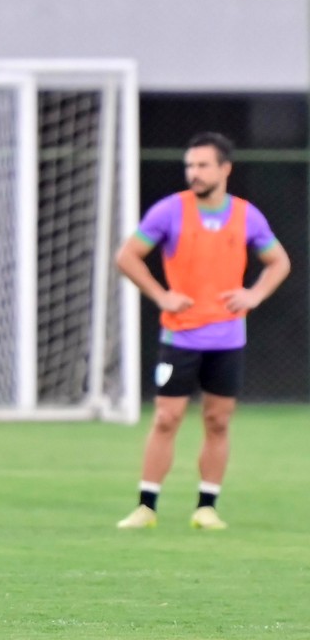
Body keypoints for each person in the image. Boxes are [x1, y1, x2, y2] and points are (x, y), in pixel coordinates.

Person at [114, 132, 289, 531]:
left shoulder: (246, 215)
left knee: (218, 421)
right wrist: (161, 295)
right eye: (190, 165)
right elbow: (128, 256)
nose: (194, 172)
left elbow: (279, 261)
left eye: (203, 165)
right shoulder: (169, 211)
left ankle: (206, 507)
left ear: (225, 169)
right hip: (180, 336)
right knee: (166, 417)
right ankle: (146, 507)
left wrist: (254, 295)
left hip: (228, 338)